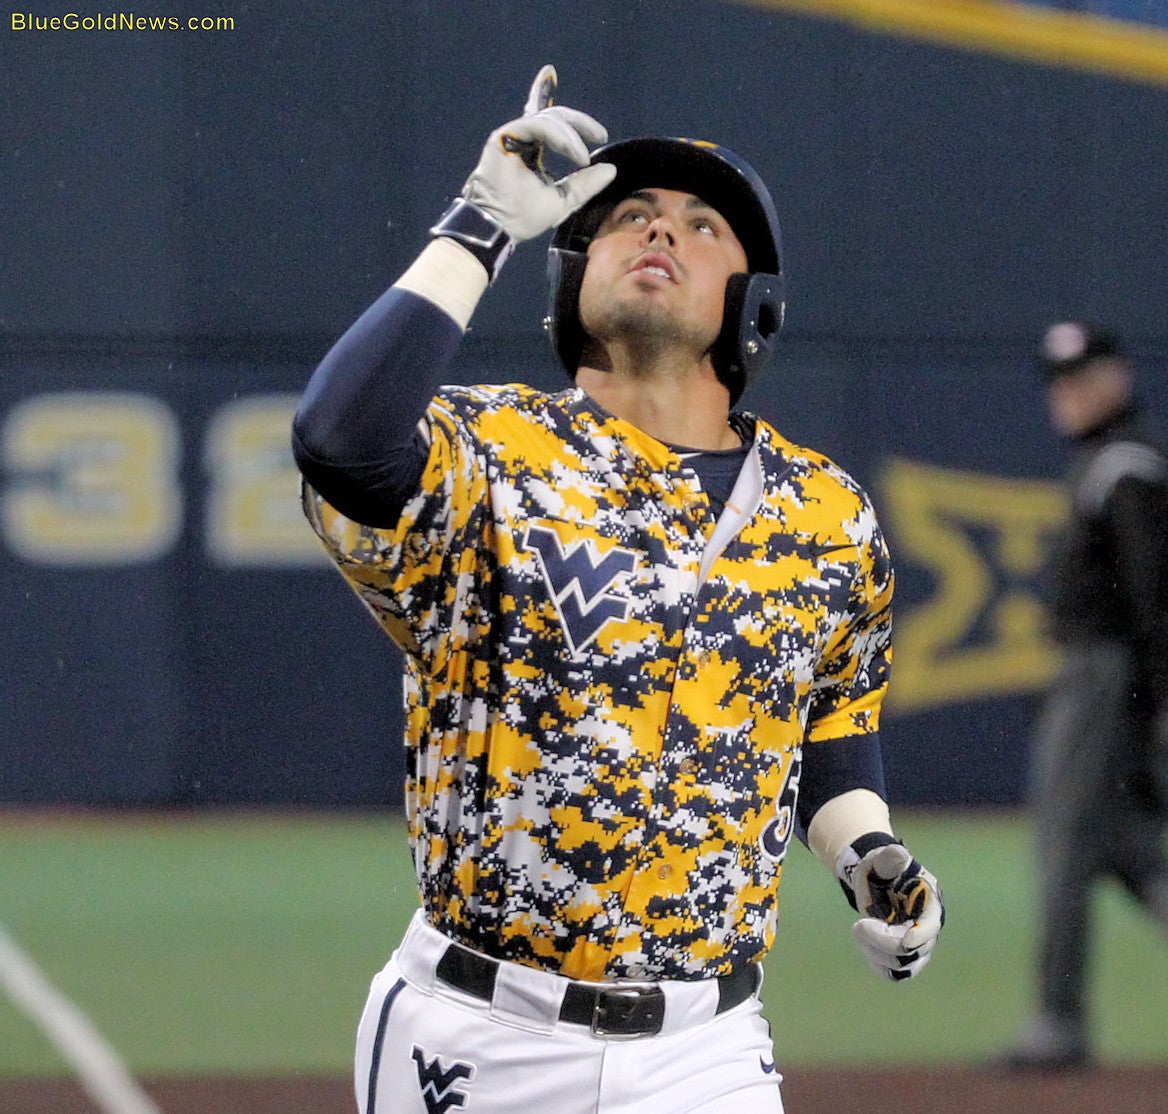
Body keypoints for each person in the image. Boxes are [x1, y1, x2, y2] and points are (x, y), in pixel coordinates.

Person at [292, 65, 943, 1114]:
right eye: (625, 215)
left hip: (706, 1048)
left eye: (701, 225)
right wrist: (480, 223)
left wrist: (867, 849)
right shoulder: (486, 451)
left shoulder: (827, 516)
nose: (658, 231)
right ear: (570, 274)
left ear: (752, 300)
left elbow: (827, 724)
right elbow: (339, 441)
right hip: (479, 1033)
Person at [996, 320, 1168, 1071]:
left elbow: (1159, 600)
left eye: (1083, 376)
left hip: (1102, 678)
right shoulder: (1111, 463)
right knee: (1133, 852)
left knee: (1064, 847)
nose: (1069, 393)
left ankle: (1057, 1023)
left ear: (1116, 377)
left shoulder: (1125, 468)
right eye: (1060, 380)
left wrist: (1161, 698)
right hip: (1104, 677)